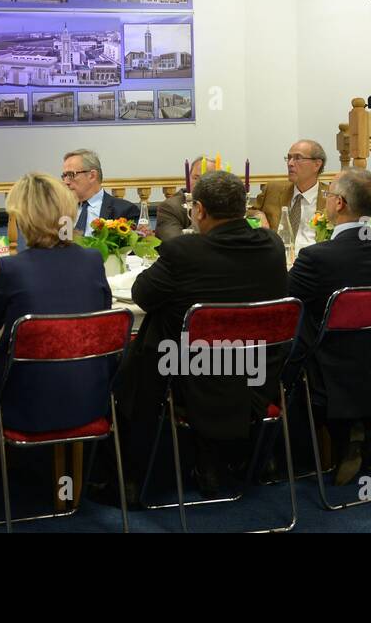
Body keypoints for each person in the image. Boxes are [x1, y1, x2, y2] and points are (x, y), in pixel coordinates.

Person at [118, 170, 288, 495]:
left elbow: (142, 294)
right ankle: (230, 455)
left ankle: (132, 471)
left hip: (195, 375)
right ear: (243, 208)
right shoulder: (273, 245)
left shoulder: (185, 252)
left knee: (156, 329)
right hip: (258, 372)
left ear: (198, 211)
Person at [0, 173, 112, 448]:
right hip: (90, 399)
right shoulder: (92, 260)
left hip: (25, 403)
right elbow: (101, 316)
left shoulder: (12, 268)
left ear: (23, 219)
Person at [285, 168, 371, 484]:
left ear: (339, 204)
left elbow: (287, 301)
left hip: (321, 360)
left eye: (329, 194)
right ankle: (357, 431)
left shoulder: (316, 257)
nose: (326, 199)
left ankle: (293, 455)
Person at [250, 139, 329, 249]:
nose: (290, 163)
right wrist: (258, 215)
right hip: (277, 258)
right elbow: (248, 212)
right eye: (289, 158)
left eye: (298, 158)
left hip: (315, 259)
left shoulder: (332, 197)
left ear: (317, 165)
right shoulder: (273, 190)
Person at [62, 149, 136, 237]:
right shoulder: (61, 210)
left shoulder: (124, 211)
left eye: (71, 175)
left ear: (92, 176)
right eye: (64, 176)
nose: (66, 182)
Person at [155, 155, 208, 241]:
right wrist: (197, 219)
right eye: (196, 178)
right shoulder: (170, 207)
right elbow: (175, 243)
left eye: (209, 179)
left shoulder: (228, 204)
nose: (201, 183)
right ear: (188, 178)